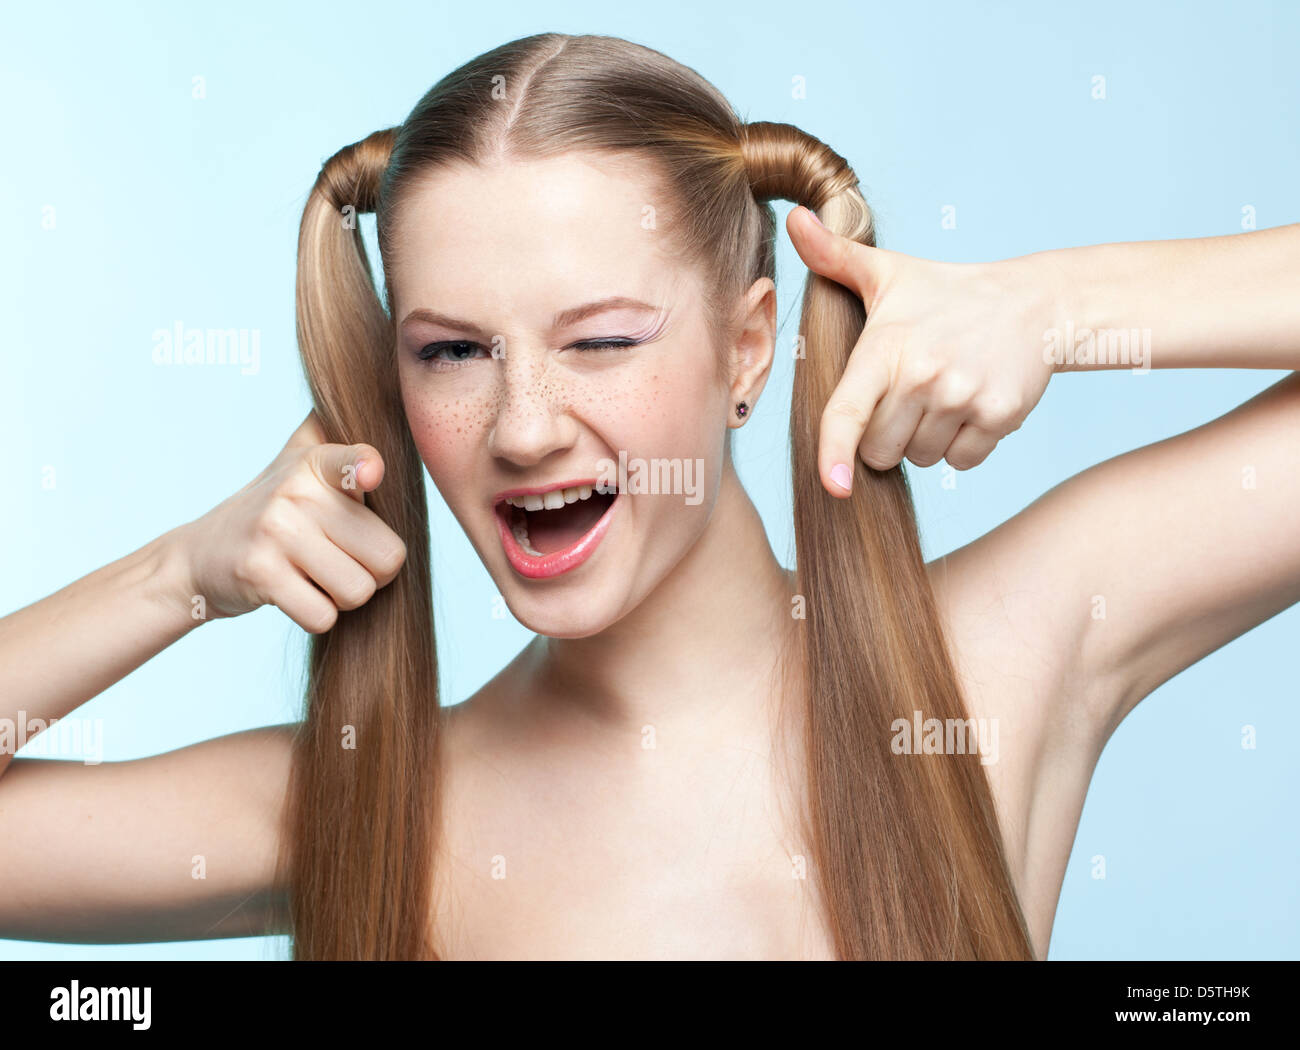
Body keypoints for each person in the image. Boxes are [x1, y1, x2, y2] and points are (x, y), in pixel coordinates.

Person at [1, 32, 1296, 960]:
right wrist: (178, 575)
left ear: (747, 351)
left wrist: (1064, 307)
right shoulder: (373, 801)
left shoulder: (997, 656)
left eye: (602, 340)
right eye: (452, 351)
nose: (520, 426)